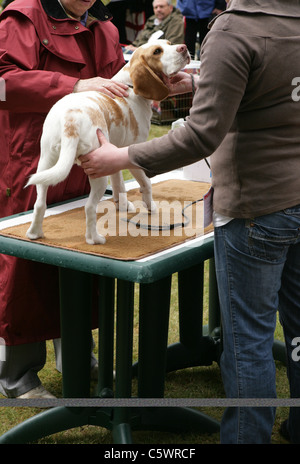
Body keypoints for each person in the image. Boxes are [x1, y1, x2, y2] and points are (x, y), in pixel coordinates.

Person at [79, 0, 300, 444]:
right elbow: (273, 90)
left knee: (248, 344)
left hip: (256, 206)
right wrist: (203, 81)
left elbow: (201, 134)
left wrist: (119, 157)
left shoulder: (235, 30)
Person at [0, 0, 129, 399]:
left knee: (84, 258)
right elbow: (2, 83)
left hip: (88, 161)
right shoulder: (23, 17)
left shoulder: (103, 25)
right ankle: (18, 375)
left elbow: (116, 88)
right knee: (26, 264)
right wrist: (71, 85)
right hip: (32, 159)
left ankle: (75, 355)